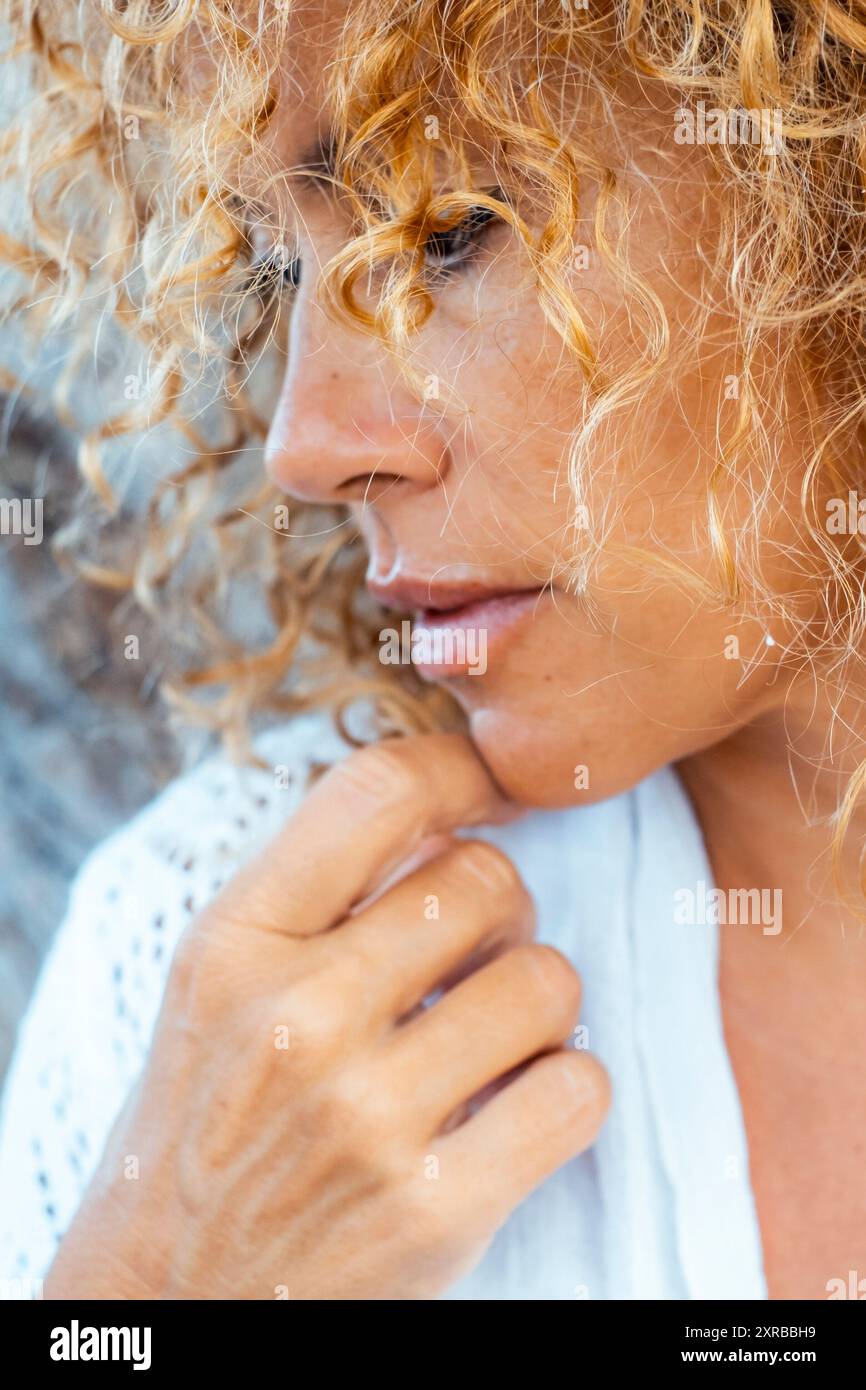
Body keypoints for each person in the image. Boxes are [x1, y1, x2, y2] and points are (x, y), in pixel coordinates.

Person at [0, 0, 864, 1300]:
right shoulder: (219, 970)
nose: (303, 442)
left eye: (446, 226)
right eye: (285, 272)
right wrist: (163, 1279)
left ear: (824, 179)